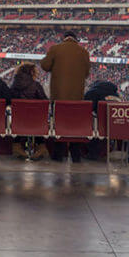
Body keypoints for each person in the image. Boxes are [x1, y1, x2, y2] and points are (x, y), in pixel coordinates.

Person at [41, 31, 90, 161]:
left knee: (58, 124)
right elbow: (86, 73)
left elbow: (45, 65)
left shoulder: (55, 49)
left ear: (64, 39)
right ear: (76, 39)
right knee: (75, 126)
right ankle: (76, 156)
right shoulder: (83, 52)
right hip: (77, 98)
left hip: (59, 96)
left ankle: (58, 155)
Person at [10, 62, 47, 160]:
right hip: (35, 121)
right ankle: (41, 146)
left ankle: (17, 145)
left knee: (22, 117)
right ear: (31, 72)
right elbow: (45, 102)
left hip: (17, 121)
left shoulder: (13, 86)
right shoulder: (36, 86)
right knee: (35, 118)